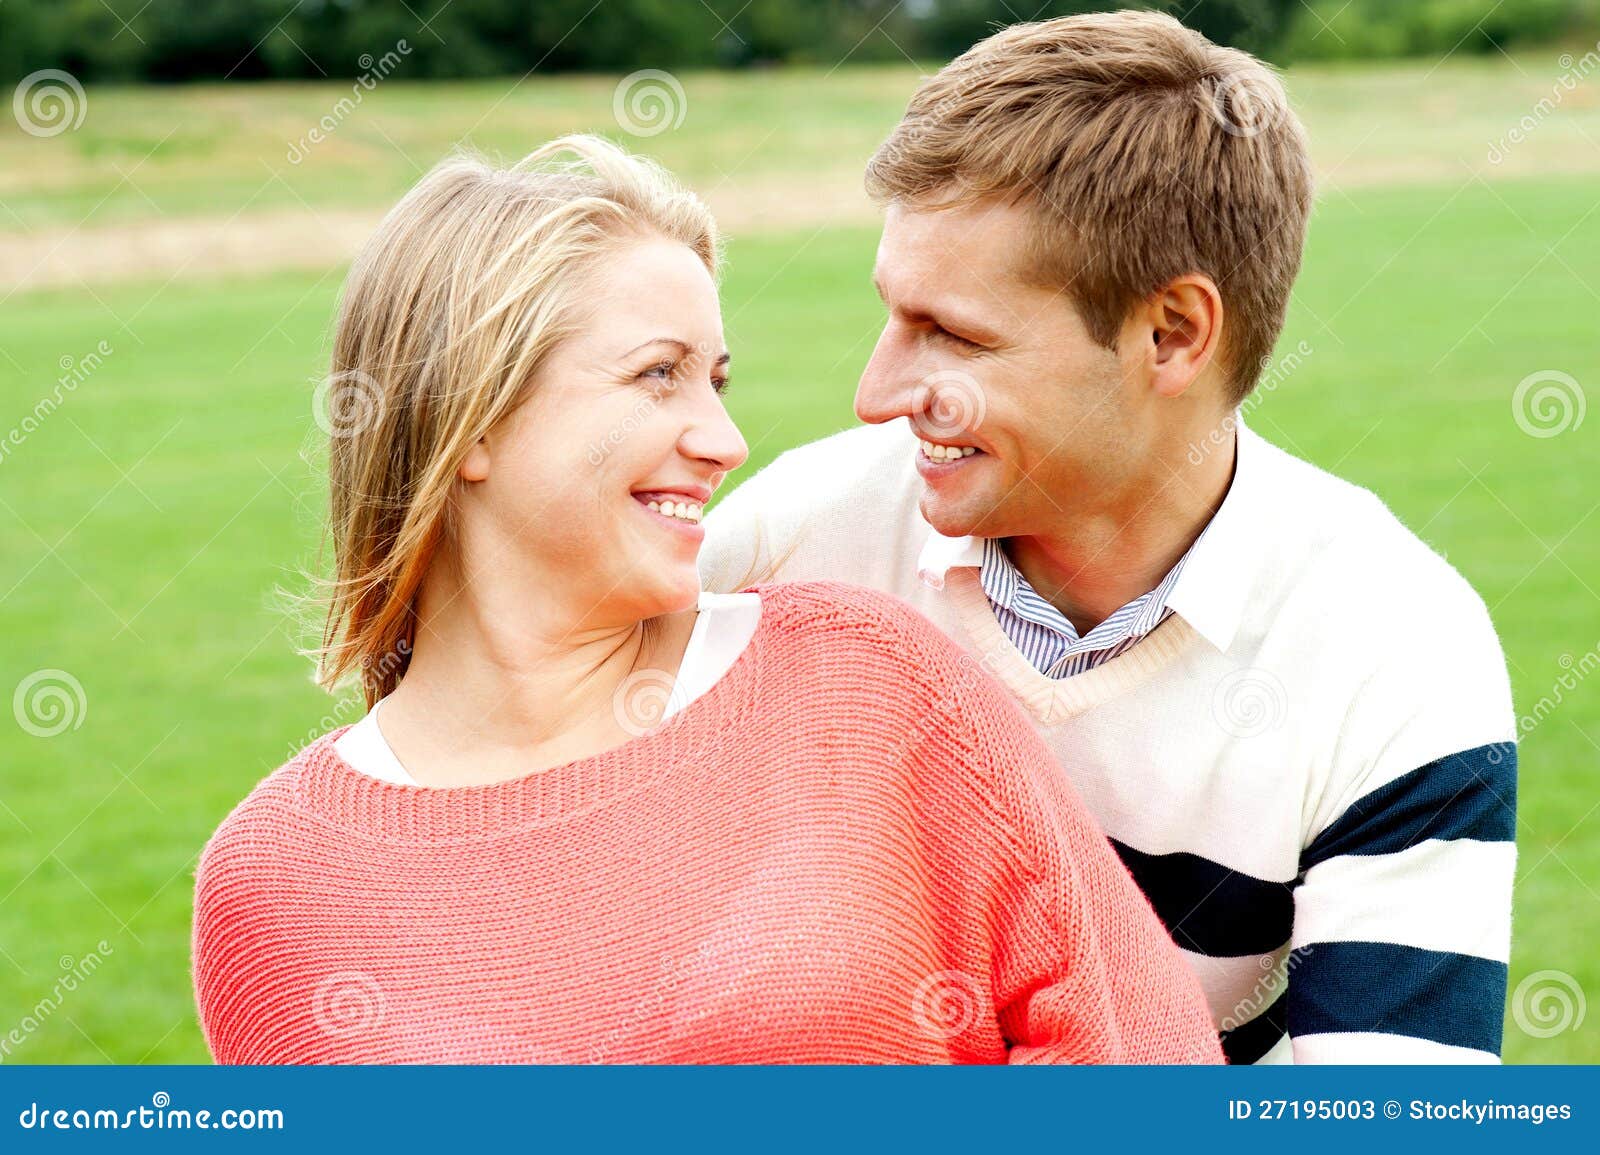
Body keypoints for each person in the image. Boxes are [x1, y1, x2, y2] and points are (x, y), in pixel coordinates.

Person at [190, 134, 1223, 1066]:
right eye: (657, 376)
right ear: (471, 424)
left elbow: (1141, 1052)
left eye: (715, 381)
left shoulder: (865, 684)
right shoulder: (275, 882)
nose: (722, 442)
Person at [699, 11, 1518, 1064]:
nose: (875, 394)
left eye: (951, 333)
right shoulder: (794, 537)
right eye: (893, 315)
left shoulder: (1398, 647)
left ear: (1172, 333)